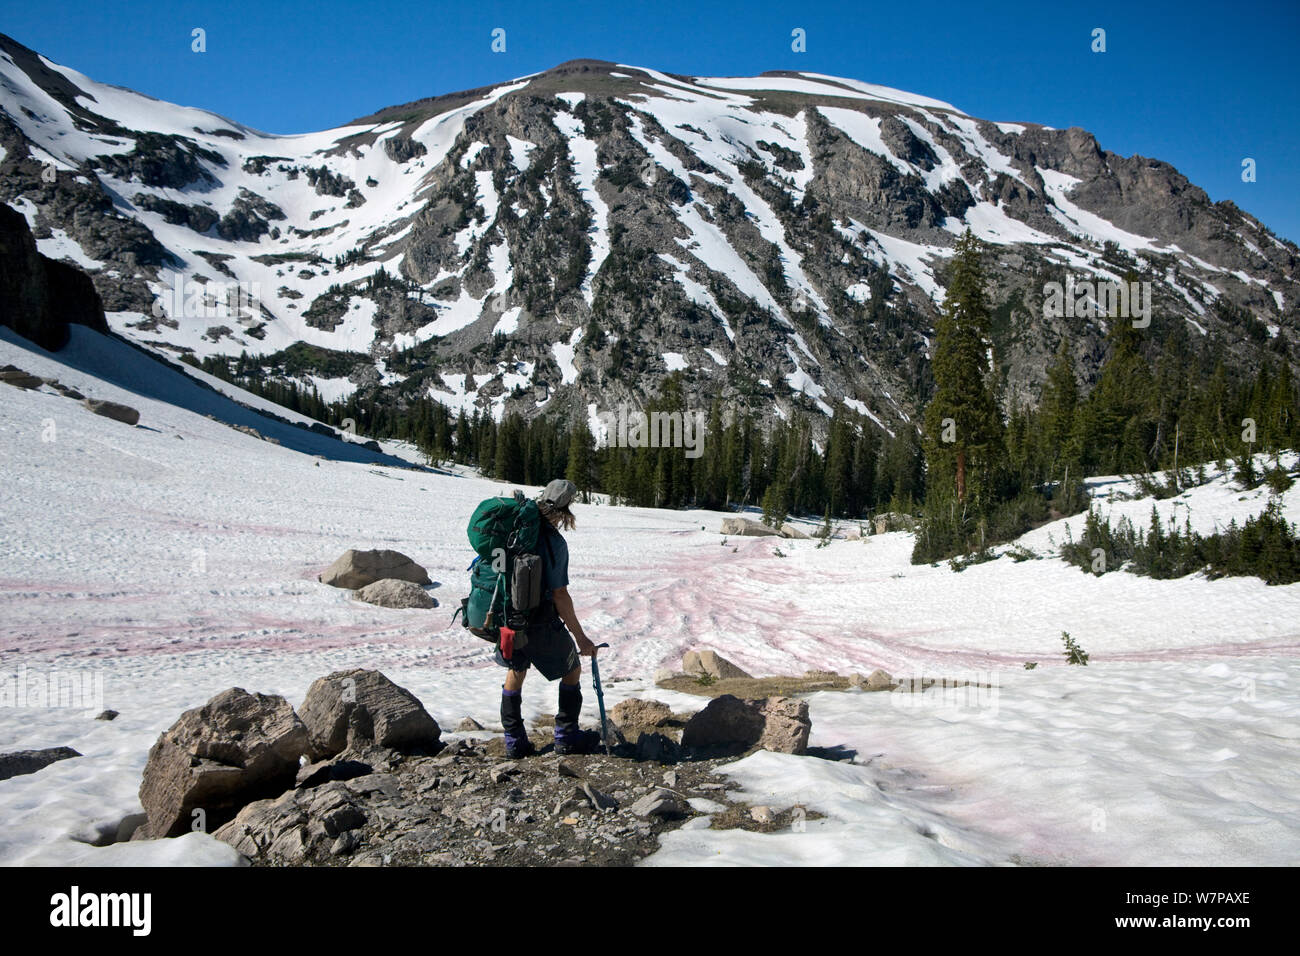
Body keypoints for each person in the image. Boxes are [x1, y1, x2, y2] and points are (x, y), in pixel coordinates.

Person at [498, 478, 600, 758]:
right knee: (572, 670)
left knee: (516, 671)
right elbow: (559, 595)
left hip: (506, 616)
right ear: (567, 510)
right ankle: (566, 736)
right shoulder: (553, 542)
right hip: (540, 620)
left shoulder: (513, 527)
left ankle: (513, 741)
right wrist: (581, 637)